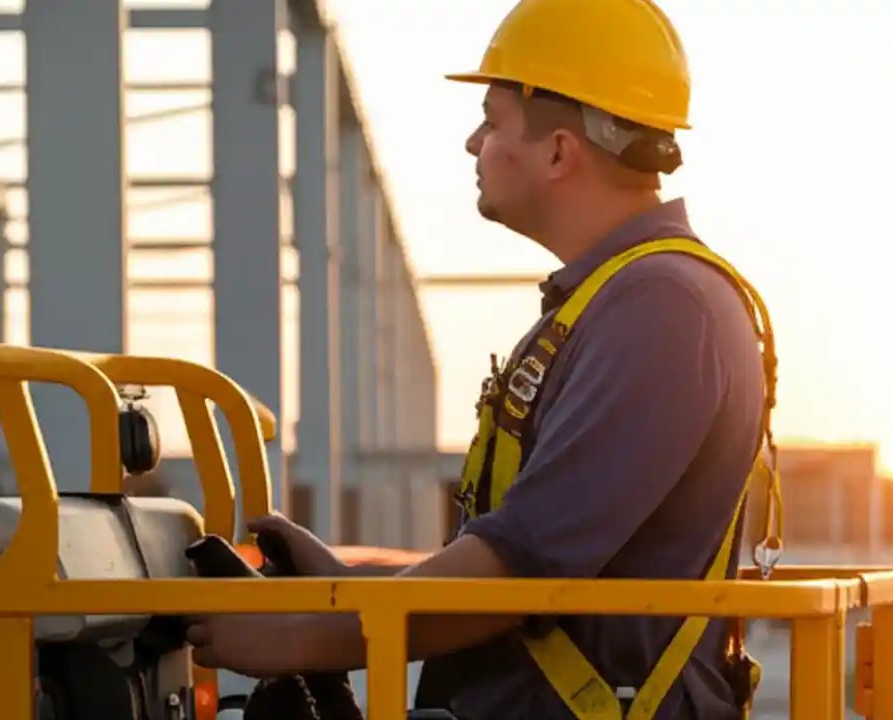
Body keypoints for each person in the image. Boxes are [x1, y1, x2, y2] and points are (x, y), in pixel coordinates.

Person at [185, 1, 781, 718]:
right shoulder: (622, 299)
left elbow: (523, 564)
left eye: (493, 120)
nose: (473, 142)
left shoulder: (662, 309)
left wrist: (299, 637)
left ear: (560, 151)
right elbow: (542, 549)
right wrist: (345, 583)